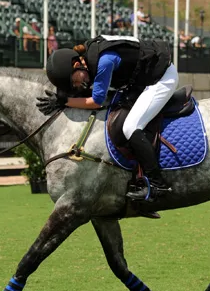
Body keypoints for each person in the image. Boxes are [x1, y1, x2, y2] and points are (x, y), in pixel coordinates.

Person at [40, 36, 176, 203]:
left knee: (131, 127)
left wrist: (65, 101)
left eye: (75, 82)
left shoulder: (103, 63)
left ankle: (158, 185)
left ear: (77, 64)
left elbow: (96, 102)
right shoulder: (90, 56)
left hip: (161, 79)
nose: (79, 86)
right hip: (141, 79)